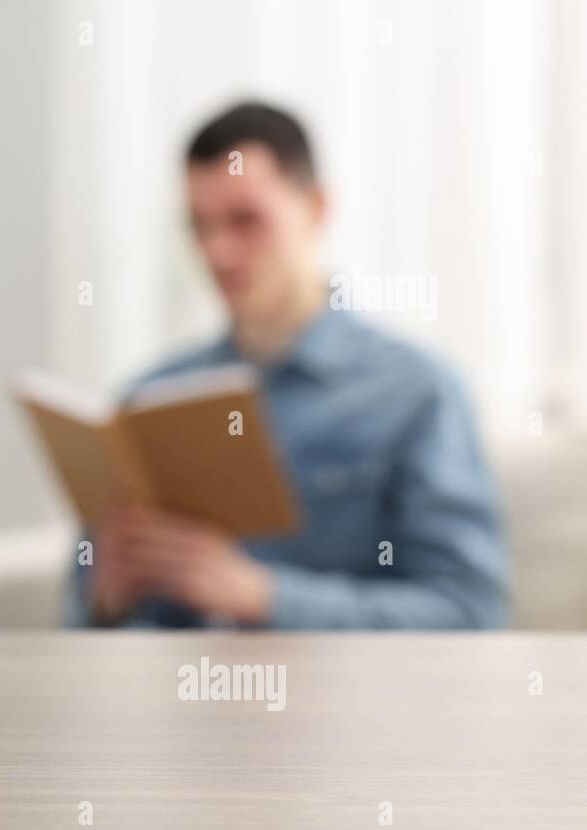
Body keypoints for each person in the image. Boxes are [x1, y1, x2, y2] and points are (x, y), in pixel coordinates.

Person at [72, 102, 507, 630]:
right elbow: (72, 620)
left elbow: (470, 613)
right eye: (200, 226)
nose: (219, 253)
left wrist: (264, 597)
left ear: (317, 208)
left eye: (245, 220)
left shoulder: (416, 392)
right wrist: (107, 599)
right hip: (173, 700)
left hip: (336, 705)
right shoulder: (151, 398)